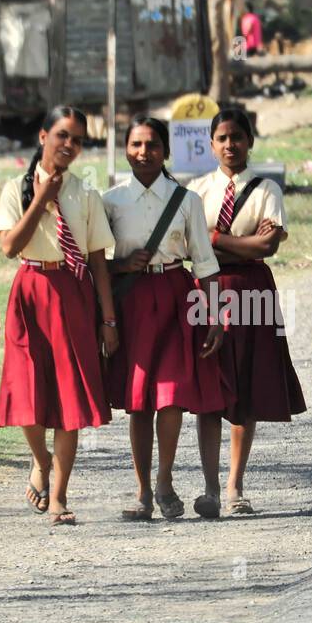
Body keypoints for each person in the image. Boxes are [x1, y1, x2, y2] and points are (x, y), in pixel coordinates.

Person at [0, 105, 118, 526]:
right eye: (62, 135)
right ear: (43, 136)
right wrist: (42, 198)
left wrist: (108, 319)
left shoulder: (85, 195)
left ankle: (61, 495)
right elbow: (11, 246)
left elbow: (98, 260)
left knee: (68, 398)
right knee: (27, 396)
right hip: (30, 291)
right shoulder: (16, 188)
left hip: (73, 294)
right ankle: (40, 459)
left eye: (78, 140)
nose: (69, 145)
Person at [102, 116, 226, 521]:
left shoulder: (186, 200)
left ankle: (165, 480)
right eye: (136, 145)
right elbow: (97, 261)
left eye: (152, 145)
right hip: (133, 303)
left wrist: (215, 317)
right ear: (125, 149)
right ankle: (141, 492)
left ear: (165, 151)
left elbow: (205, 263)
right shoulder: (112, 201)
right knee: (139, 402)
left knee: (170, 395)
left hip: (176, 297)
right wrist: (121, 265)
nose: (143, 153)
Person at [187, 109, 306, 518]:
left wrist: (216, 238)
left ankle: (235, 484)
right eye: (222, 138)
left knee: (246, 386)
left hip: (252, 291)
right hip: (206, 289)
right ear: (210, 143)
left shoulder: (266, 189)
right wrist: (239, 241)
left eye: (237, 137)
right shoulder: (197, 190)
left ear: (249, 141)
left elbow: (266, 248)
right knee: (210, 385)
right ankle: (209, 487)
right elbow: (192, 247)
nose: (230, 145)